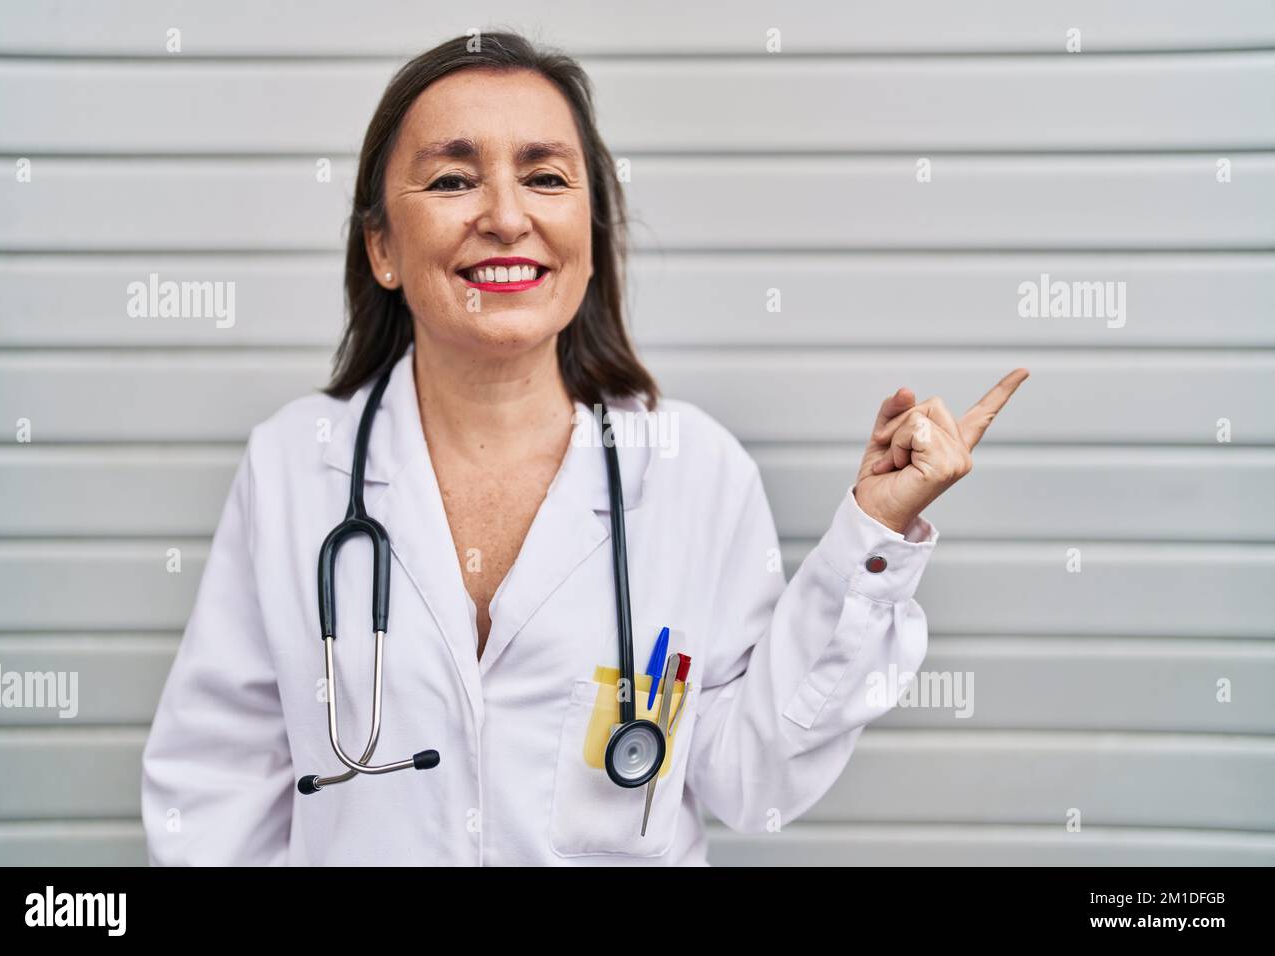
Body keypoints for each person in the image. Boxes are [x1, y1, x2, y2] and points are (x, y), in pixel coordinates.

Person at [140, 31, 1026, 866]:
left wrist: (868, 536)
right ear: (382, 246)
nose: (506, 217)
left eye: (547, 178)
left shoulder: (694, 472)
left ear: (591, 236)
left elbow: (750, 780)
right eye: (453, 181)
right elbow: (212, 790)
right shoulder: (295, 465)